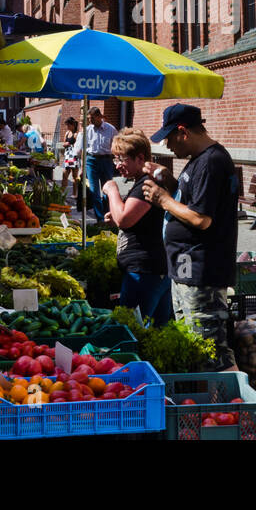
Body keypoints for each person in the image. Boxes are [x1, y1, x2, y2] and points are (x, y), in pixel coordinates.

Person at [143, 103, 240, 372]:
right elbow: (192, 201)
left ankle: (232, 409)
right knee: (195, 343)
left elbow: (201, 218)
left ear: (183, 132)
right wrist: (169, 182)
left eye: (169, 139)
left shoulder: (211, 162)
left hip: (202, 271)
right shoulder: (198, 161)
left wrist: (163, 200)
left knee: (211, 349)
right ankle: (209, 406)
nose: (168, 146)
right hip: (187, 268)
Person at [102, 129, 174, 326]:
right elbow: (133, 220)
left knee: (132, 329)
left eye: (121, 159)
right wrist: (115, 218)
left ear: (140, 157)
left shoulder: (147, 184)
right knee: (157, 331)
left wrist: (112, 190)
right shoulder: (143, 182)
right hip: (153, 269)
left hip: (145, 271)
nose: (117, 166)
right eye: (114, 159)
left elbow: (124, 219)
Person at [83, 107, 119, 216]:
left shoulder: (111, 129)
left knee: (107, 189)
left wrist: (118, 159)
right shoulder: (88, 130)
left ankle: (107, 214)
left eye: (92, 118)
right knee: (94, 191)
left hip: (106, 160)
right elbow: (83, 149)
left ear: (99, 117)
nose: (90, 121)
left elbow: (117, 146)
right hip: (91, 161)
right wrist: (82, 167)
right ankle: (99, 218)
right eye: (88, 119)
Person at [59, 117, 80, 197]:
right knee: (64, 175)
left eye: (68, 125)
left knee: (75, 177)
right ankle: (61, 193)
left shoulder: (76, 134)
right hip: (67, 157)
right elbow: (64, 143)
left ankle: (75, 194)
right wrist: (65, 144)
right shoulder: (67, 133)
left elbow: (78, 145)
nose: (67, 127)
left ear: (73, 125)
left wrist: (70, 144)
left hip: (74, 157)